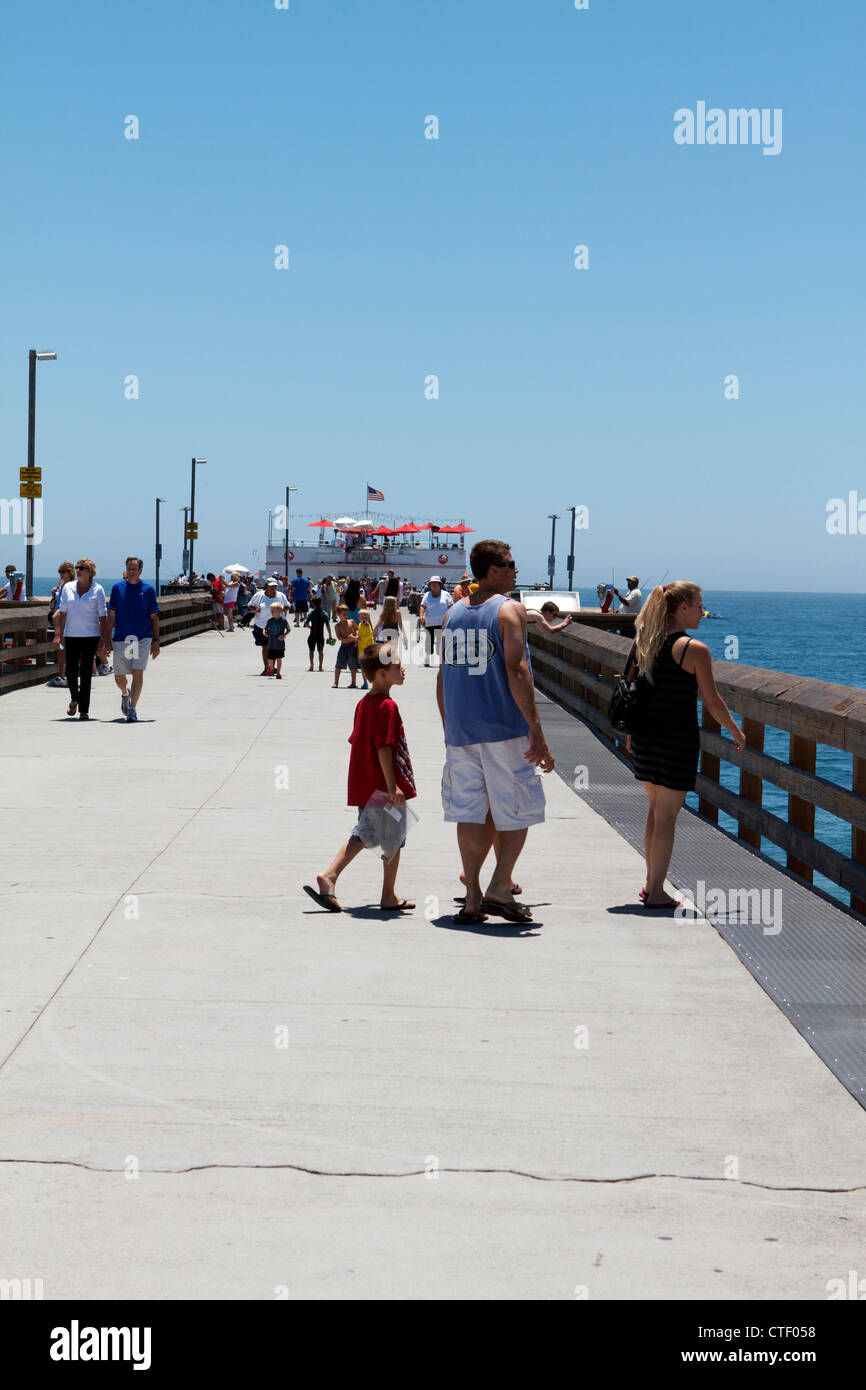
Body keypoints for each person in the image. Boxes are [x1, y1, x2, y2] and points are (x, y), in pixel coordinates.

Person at [437, 539, 554, 924]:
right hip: (504, 729)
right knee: (516, 810)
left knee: (470, 813)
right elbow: (517, 669)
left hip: (462, 730)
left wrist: (449, 725)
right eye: (510, 563)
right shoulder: (509, 610)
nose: (516, 570)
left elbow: (443, 677)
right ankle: (500, 888)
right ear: (493, 570)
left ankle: (472, 897)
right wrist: (536, 729)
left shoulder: (453, 612)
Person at [628, 581, 745, 908]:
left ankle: (651, 885)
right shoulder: (693, 649)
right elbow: (713, 701)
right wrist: (735, 729)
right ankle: (656, 892)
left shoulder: (644, 642)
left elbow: (634, 688)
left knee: (656, 811)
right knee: (666, 815)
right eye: (698, 605)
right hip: (675, 739)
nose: (702, 612)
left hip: (645, 737)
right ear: (682, 608)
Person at [303, 642, 416, 913]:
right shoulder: (387, 706)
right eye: (395, 664)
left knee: (385, 836)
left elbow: (356, 740)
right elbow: (383, 745)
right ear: (381, 674)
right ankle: (331, 876)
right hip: (381, 784)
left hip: (366, 781)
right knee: (377, 835)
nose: (402, 667)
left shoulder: (364, 702)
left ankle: (386, 893)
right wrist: (392, 785)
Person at [52, 559, 110, 720]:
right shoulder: (68, 588)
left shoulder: (97, 590)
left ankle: (84, 710)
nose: (78, 570)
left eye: (82, 568)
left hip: (90, 636)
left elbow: (102, 616)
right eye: (77, 568)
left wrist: (103, 638)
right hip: (71, 635)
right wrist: (58, 633)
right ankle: (75, 698)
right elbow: (62, 612)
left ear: (90, 571)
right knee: (70, 671)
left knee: (85, 673)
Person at [106, 556, 160, 723]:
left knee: (138, 672)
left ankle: (132, 709)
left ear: (140, 570)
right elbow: (111, 616)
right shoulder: (117, 589)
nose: (131, 572)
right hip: (122, 637)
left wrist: (156, 641)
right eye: (129, 568)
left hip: (142, 637)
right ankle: (125, 693)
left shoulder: (148, 590)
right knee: (119, 676)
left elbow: (154, 617)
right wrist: (107, 638)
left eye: (134, 569)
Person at [247, 578, 291, 673]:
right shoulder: (259, 595)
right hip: (261, 624)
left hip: (276, 626)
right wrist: (256, 609)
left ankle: (272, 668)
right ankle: (267, 668)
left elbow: (288, 606)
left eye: (274, 586)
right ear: (266, 586)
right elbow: (250, 605)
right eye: (271, 586)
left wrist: (281, 610)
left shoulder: (280, 596)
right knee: (265, 647)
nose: (272, 588)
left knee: (273, 647)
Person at [46, 562, 75, 686]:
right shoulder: (62, 585)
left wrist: (56, 615)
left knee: (64, 649)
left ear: (70, 573)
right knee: (61, 649)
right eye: (59, 572)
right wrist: (55, 592)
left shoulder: (70, 586)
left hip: (65, 620)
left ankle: (65, 676)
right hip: (61, 621)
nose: (61, 574)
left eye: (63, 572)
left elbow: (66, 604)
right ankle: (62, 675)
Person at [419, 575, 453, 666]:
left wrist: (451, 617)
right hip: (430, 622)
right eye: (431, 583)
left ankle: (441, 660)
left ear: (439, 584)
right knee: (429, 641)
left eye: (435, 583)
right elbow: (423, 606)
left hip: (443, 623)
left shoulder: (446, 594)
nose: (433, 585)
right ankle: (427, 659)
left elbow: (451, 607)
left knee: (440, 642)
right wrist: (421, 616)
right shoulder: (427, 595)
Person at [333, 604, 359, 689]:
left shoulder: (351, 621)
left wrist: (355, 636)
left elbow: (357, 629)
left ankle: (353, 682)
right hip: (344, 647)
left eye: (347, 614)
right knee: (338, 665)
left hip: (352, 647)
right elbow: (340, 638)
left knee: (353, 665)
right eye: (344, 615)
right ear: (338, 615)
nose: (346, 616)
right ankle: (336, 682)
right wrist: (350, 638)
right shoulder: (337, 626)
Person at [304, 595, 332, 671]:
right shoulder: (324, 614)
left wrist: (310, 628)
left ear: (313, 604)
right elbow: (327, 625)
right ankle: (320, 666)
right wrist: (330, 635)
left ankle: (311, 665)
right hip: (320, 635)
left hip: (312, 635)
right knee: (320, 651)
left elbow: (306, 623)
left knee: (311, 651)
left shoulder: (311, 614)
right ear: (321, 603)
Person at [265, 602, 290, 678]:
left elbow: (289, 629)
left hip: (279, 644)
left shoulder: (283, 621)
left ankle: (278, 673)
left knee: (279, 658)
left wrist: (284, 635)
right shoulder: (270, 620)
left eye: (273, 610)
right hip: (271, 644)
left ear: (279, 611)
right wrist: (265, 632)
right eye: (271, 611)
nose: (271, 612)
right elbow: (265, 629)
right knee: (270, 659)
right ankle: (271, 667)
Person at [356, 608, 374, 690]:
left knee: (369, 667)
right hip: (361, 650)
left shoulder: (368, 626)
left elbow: (370, 636)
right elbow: (358, 634)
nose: (364, 619)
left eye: (366, 618)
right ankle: (365, 682)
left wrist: (361, 638)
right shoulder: (359, 626)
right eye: (362, 618)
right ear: (359, 618)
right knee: (363, 668)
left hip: (368, 650)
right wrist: (357, 637)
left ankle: (373, 682)